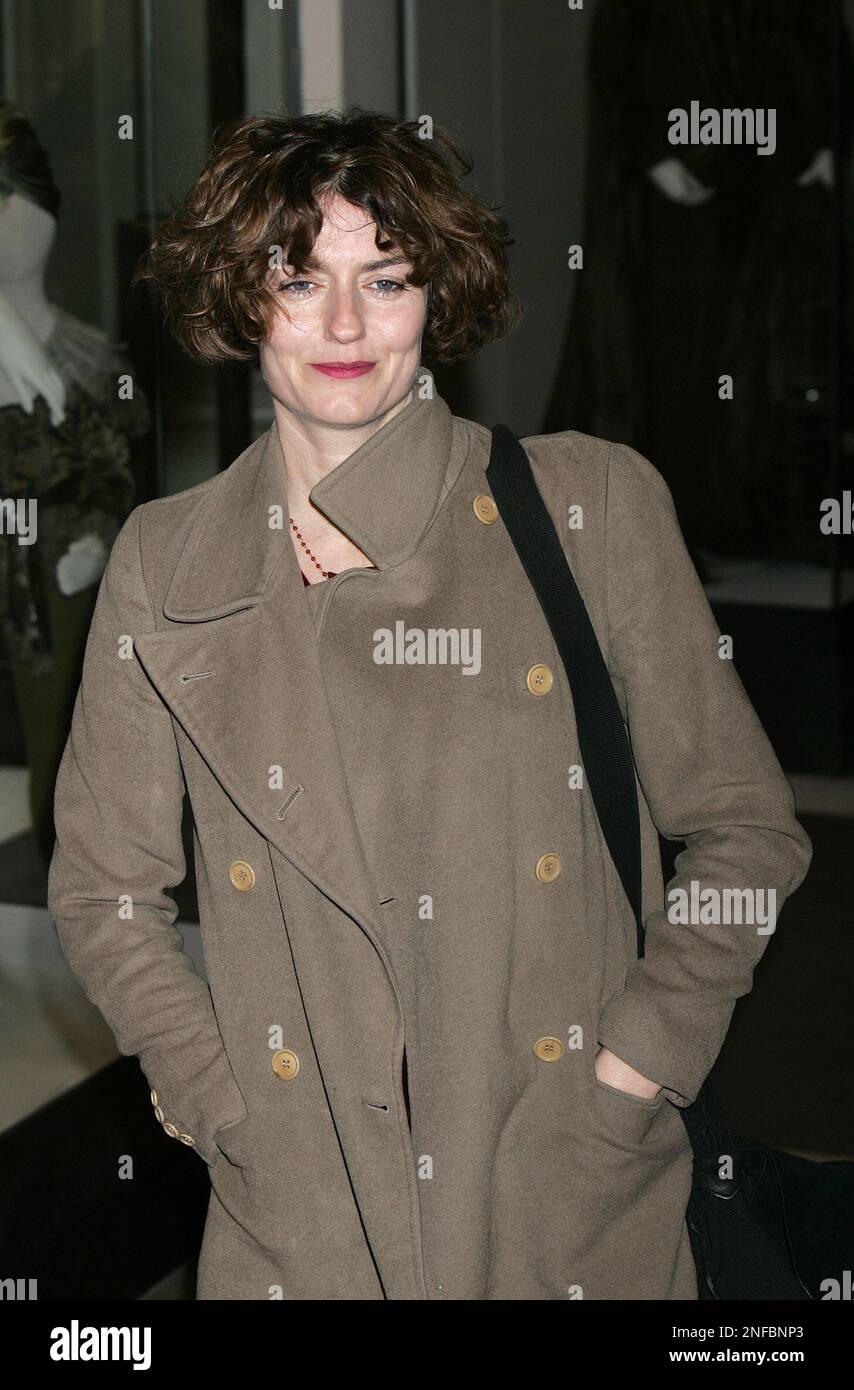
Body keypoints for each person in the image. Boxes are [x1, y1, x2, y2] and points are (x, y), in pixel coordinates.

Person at [47, 107, 812, 1301]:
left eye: (386, 278)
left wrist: (635, 1065)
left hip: (559, 1188)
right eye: (298, 280)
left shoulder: (584, 508)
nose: (345, 326)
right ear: (242, 303)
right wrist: (223, 1103)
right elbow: (103, 891)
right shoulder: (166, 562)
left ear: (435, 296)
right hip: (298, 1212)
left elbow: (744, 829)